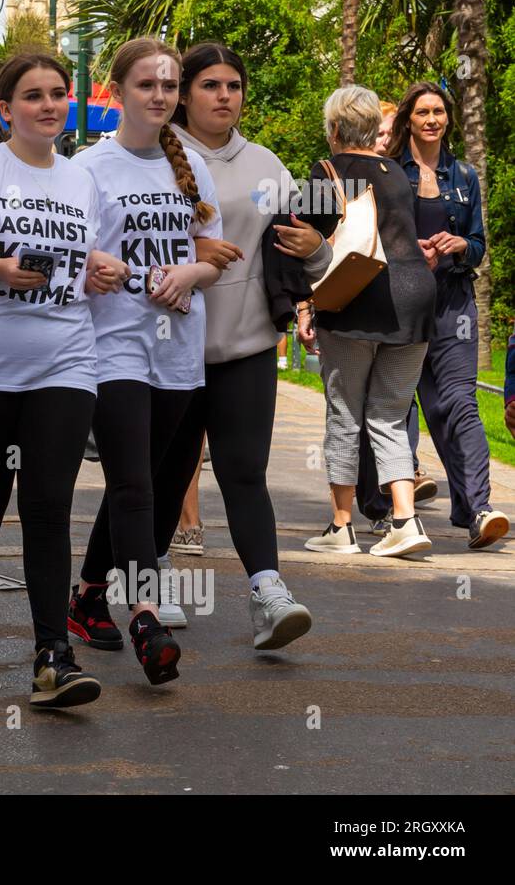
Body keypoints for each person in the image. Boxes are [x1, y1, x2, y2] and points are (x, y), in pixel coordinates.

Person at [0, 52, 128, 708]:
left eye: (57, 94)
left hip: (67, 358)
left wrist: (101, 270)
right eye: (33, 96)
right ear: (8, 108)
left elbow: (90, 263)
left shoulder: (83, 182)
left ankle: (54, 656)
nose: (48, 105)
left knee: (48, 501)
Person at [67, 37, 223, 685]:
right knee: (132, 482)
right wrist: (89, 267)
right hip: (115, 344)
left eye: (168, 85)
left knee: (154, 484)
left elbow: (213, 256)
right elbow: (65, 257)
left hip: (179, 345)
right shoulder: (88, 167)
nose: (158, 96)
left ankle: (85, 595)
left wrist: (190, 272)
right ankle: (145, 615)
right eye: (146, 85)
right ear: (116, 92)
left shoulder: (190, 161)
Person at [159, 42, 321, 649]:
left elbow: (294, 249)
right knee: (162, 472)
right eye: (210, 85)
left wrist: (318, 252)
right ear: (185, 94)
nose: (224, 95)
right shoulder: (153, 156)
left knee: (244, 471)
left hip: (247, 345)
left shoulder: (266, 163)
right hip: (168, 344)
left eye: (233, 85)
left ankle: (268, 592)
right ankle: (148, 582)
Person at [356, 83, 508, 549]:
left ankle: (478, 508)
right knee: (391, 407)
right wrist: (405, 254)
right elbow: (364, 236)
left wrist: (461, 246)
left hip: (453, 304)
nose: (431, 119)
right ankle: (384, 510)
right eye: (422, 112)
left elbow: (479, 245)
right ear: (408, 119)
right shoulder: (386, 173)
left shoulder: (464, 176)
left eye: (439, 111)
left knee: (458, 403)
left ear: (448, 118)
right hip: (399, 301)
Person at [300, 85, 437, 559]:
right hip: (417, 299)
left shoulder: (329, 171)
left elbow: (304, 239)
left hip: (358, 299)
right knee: (389, 412)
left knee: (345, 412)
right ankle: (404, 519)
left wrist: (303, 306)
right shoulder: (398, 172)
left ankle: (341, 527)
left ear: (335, 129)